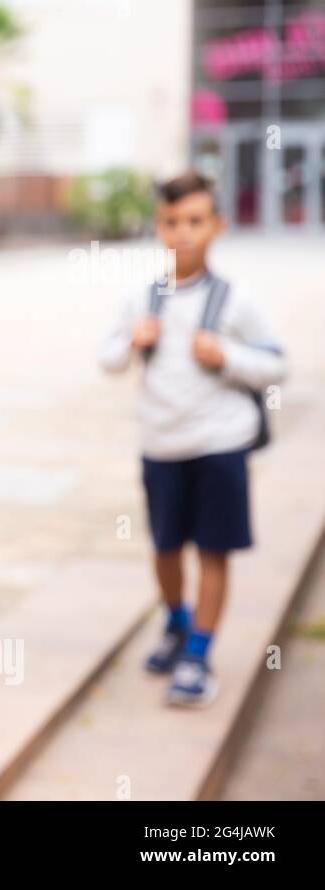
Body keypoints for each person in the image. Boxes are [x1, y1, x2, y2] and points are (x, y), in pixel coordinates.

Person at [99, 171, 287, 707]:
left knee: (213, 551)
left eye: (195, 222)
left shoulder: (237, 299)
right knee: (164, 548)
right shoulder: (141, 296)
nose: (183, 233)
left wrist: (227, 356)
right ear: (158, 227)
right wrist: (133, 342)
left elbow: (277, 365)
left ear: (218, 226)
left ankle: (199, 654)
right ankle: (177, 622)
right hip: (161, 443)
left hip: (220, 443)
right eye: (172, 222)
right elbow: (106, 358)